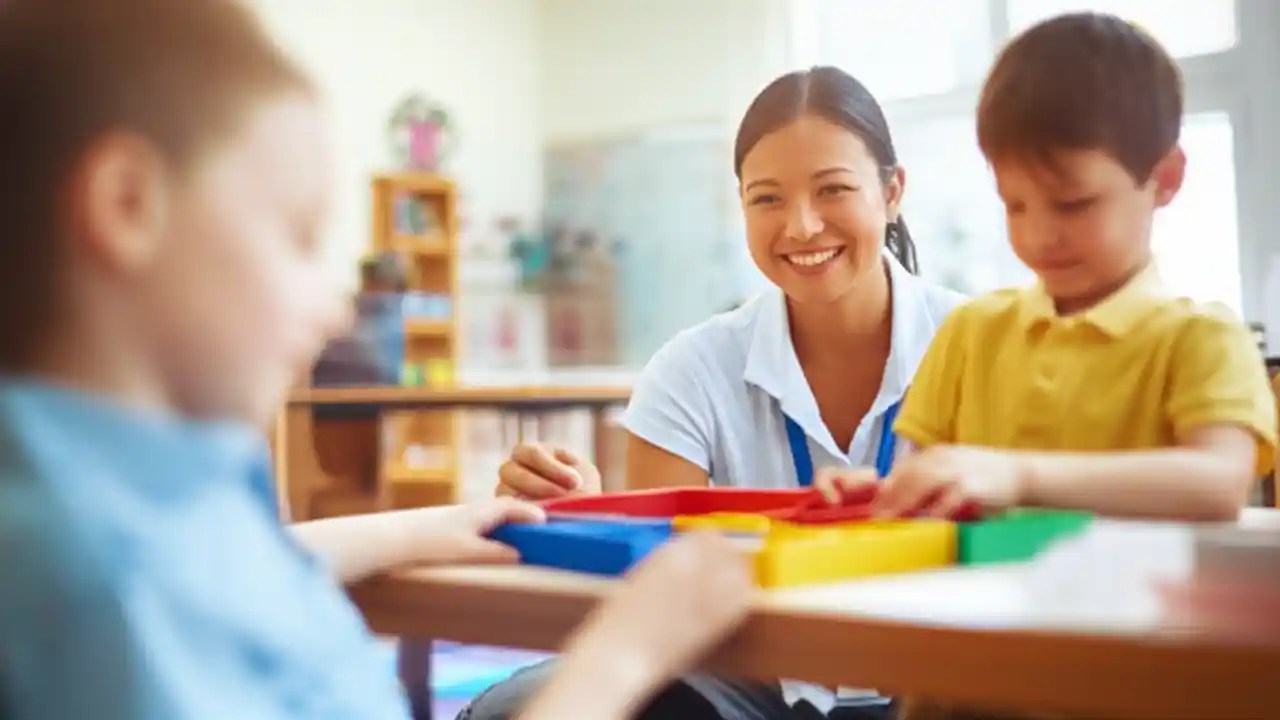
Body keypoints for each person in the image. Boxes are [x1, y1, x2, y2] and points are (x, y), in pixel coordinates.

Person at [0, 1, 753, 718]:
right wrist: (622, 657)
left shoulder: (121, 492)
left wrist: (428, 526)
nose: (332, 307)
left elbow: (241, 560)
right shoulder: (94, 583)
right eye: (297, 237)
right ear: (129, 205)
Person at [479, 66, 965, 720]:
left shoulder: (975, 344)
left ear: (893, 190)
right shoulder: (691, 369)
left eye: (834, 190)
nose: (801, 227)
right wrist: (585, 517)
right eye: (767, 199)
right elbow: (660, 589)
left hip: (943, 682)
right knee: (520, 705)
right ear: (739, 204)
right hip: (752, 684)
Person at [817, 13, 1277, 529]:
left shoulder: (1203, 338)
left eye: (1073, 205)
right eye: (1015, 206)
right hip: (977, 608)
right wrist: (876, 493)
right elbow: (930, 482)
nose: (1038, 236)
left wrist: (1021, 477)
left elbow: (1217, 484)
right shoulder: (973, 331)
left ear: (1164, 178)